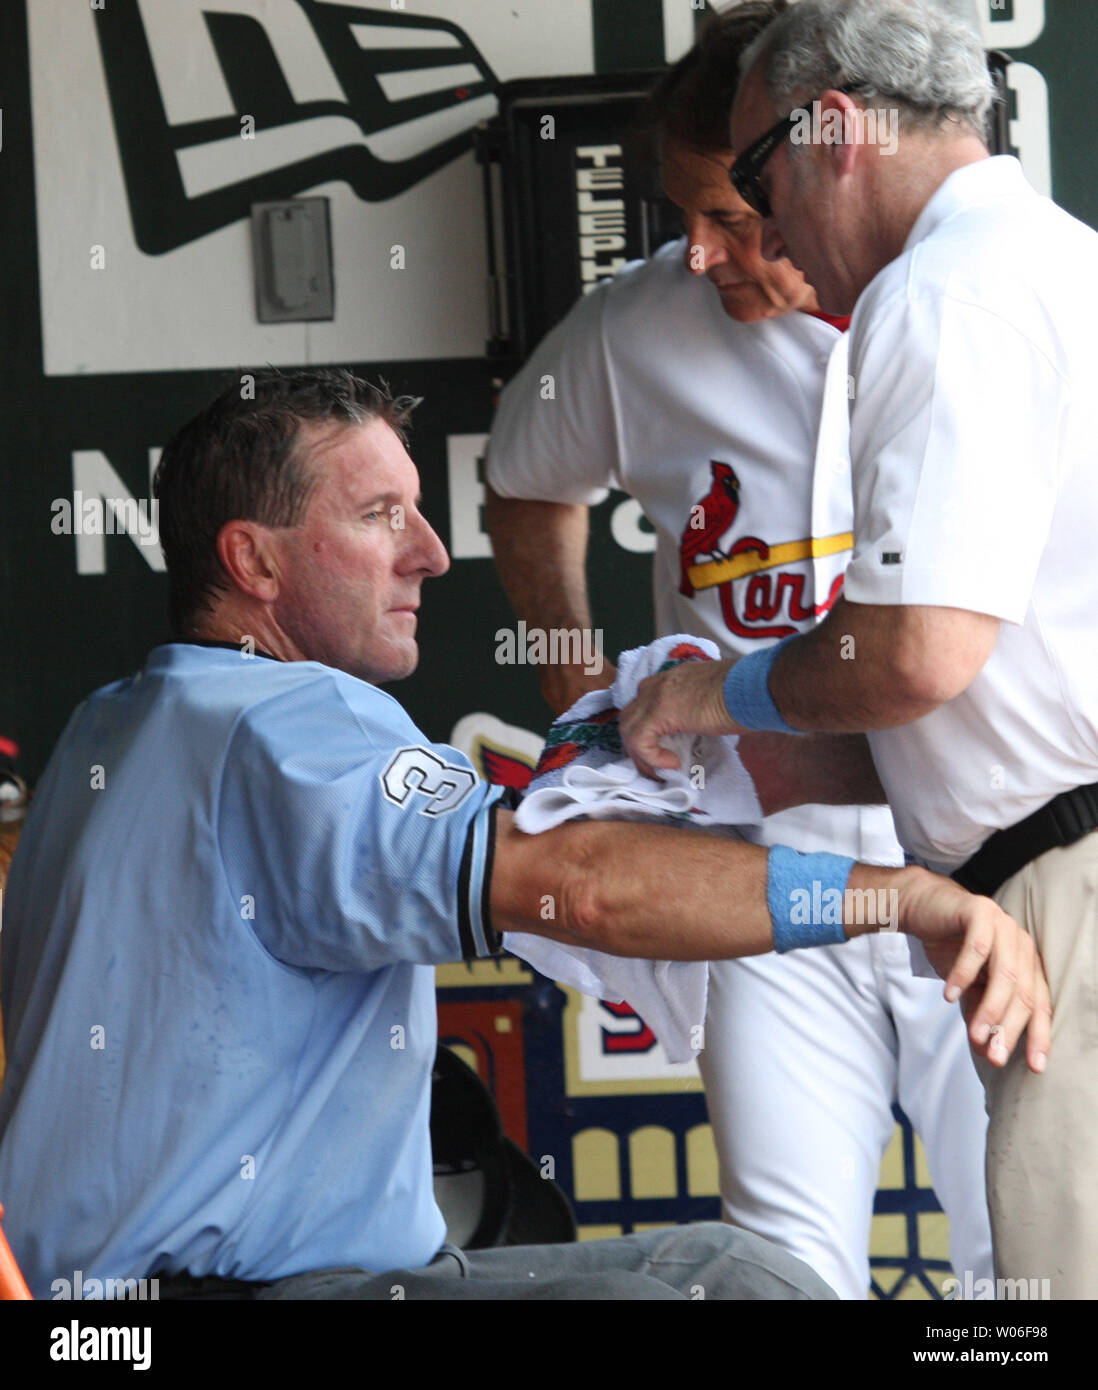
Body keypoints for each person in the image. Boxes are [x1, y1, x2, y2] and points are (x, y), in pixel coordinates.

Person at [0, 370, 1044, 1302]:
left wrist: (956, 751)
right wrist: (899, 895)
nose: (433, 553)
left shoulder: (118, 721)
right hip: (239, 1289)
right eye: (380, 515)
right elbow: (578, 883)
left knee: (730, 1270)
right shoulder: (286, 725)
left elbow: (638, 806)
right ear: (253, 563)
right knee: (734, 1289)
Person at [485, 1, 993, 1299]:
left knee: (1022, 1249)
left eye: (728, 212)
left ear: (817, 165)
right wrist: (575, 685)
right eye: (678, 217)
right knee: (780, 1264)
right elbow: (526, 486)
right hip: (761, 871)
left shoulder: (964, 306)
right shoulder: (637, 326)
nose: (700, 252)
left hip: (979, 854)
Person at [621, 0, 1091, 1297]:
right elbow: (1005, 685)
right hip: (1031, 860)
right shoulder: (1049, 255)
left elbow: (919, 652)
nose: (759, 235)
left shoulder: (946, 287)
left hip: (1063, 884)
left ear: (832, 129)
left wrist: (716, 691)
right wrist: (764, 766)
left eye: (757, 181)